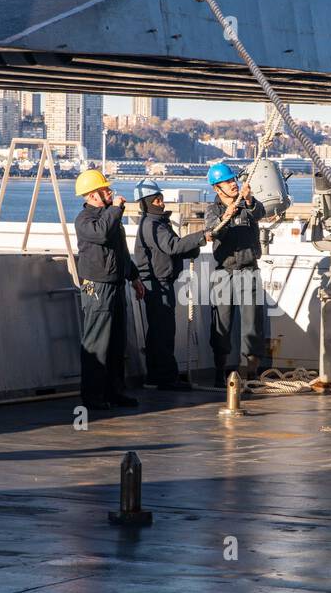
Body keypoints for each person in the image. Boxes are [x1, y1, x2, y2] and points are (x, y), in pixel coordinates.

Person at [73, 168, 145, 411]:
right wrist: (116, 209)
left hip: (115, 284)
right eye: (105, 189)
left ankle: (115, 392)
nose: (110, 192)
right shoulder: (85, 220)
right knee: (97, 342)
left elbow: (120, 251)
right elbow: (102, 234)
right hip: (98, 287)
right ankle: (92, 396)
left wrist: (133, 277)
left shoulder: (109, 217)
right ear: (93, 195)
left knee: (116, 342)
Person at [132, 178, 211, 391]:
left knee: (159, 331)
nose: (162, 202)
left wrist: (193, 247)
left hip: (161, 282)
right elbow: (172, 246)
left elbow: (175, 247)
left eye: (161, 198)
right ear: (148, 202)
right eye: (157, 199)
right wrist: (202, 237)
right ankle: (165, 378)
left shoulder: (158, 224)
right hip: (156, 284)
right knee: (163, 331)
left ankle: (156, 376)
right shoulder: (152, 225)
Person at [204, 162, 266, 384]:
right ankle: (219, 372)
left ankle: (251, 372)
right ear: (216, 188)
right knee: (221, 323)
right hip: (224, 272)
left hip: (249, 269)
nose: (233, 184)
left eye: (233, 180)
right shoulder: (213, 210)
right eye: (227, 181)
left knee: (253, 323)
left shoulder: (247, 205)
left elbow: (261, 213)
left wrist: (248, 200)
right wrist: (225, 218)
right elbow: (212, 231)